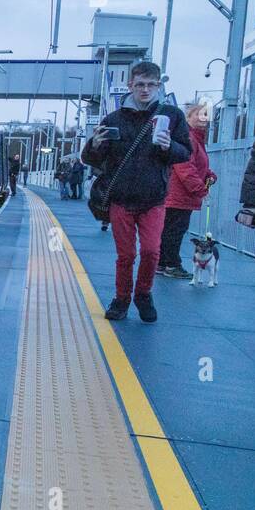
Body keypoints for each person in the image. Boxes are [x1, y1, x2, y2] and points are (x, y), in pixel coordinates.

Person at [81, 61, 191, 323]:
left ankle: (143, 294)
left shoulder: (172, 115)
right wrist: (95, 145)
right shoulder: (113, 119)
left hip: (153, 199)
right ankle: (121, 299)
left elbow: (186, 152)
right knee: (126, 255)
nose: (145, 90)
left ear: (158, 86)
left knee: (152, 251)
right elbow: (93, 159)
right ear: (130, 85)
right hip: (121, 198)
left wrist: (169, 147)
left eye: (150, 85)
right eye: (139, 84)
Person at [158, 104, 217, 279]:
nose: (203, 119)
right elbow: (185, 167)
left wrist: (209, 175)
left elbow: (196, 166)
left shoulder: (195, 139)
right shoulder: (190, 138)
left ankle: (162, 263)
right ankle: (171, 265)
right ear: (188, 117)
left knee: (170, 230)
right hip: (179, 195)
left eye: (206, 115)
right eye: (199, 114)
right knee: (175, 231)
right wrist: (201, 190)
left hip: (179, 194)